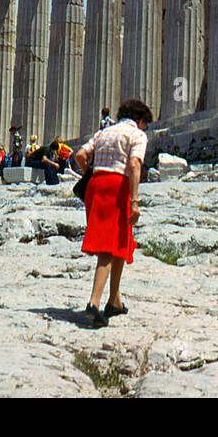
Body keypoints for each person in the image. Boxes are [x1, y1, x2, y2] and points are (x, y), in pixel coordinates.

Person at [74, 98, 152, 328]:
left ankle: (114, 300)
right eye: (145, 123)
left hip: (95, 185)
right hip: (116, 186)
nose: (145, 128)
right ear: (140, 120)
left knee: (120, 241)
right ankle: (94, 302)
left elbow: (80, 155)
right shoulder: (136, 135)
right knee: (107, 245)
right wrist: (135, 201)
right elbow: (135, 165)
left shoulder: (105, 132)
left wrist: (90, 173)